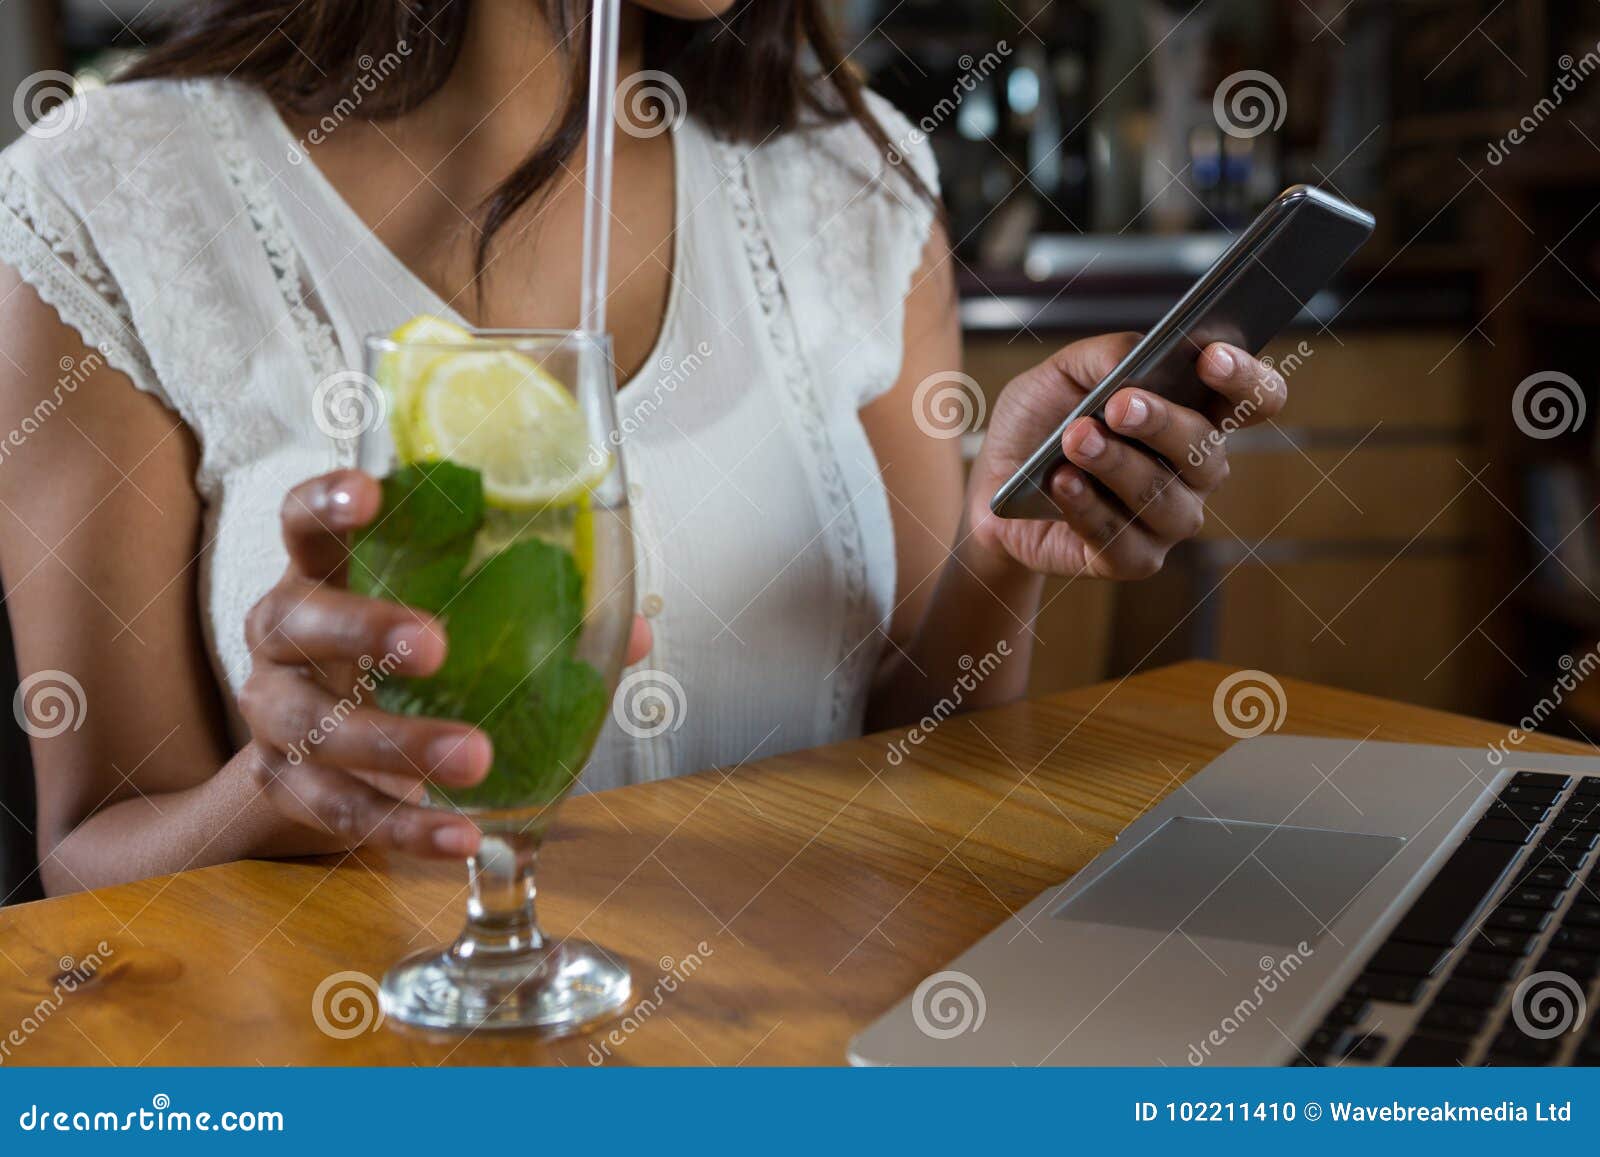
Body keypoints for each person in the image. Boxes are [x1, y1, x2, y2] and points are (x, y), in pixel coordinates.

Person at [0, 0, 1284, 896]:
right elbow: (88, 850)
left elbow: (913, 755)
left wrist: (1001, 548)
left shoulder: (854, 180)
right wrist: (281, 785)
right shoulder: (111, 194)